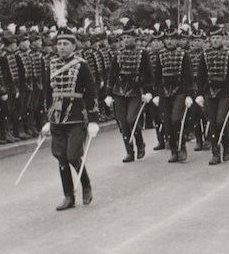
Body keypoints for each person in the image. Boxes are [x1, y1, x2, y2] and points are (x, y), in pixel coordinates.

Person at [40, 25, 100, 211]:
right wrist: (47, 120)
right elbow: (47, 94)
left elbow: (91, 93)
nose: (61, 47)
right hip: (57, 118)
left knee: (73, 155)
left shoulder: (81, 65)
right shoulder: (51, 65)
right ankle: (68, 196)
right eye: (59, 44)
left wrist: (93, 120)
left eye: (66, 44)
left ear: (74, 46)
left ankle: (86, 184)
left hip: (76, 117)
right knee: (61, 157)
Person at [105, 18, 153, 163]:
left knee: (132, 119)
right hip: (119, 91)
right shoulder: (117, 54)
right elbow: (112, 75)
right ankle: (129, 151)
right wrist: (108, 94)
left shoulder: (142, 54)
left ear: (134, 39)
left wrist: (147, 91)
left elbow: (148, 74)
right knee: (122, 122)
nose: (126, 40)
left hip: (135, 90)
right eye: (124, 38)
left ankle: (140, 143)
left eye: (129, 37)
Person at [196, 19, 229, 165]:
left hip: (225, 92)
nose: (215, 41)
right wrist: (199, 94)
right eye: (213, 38)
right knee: (213, 122)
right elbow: (201, 76)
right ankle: (216, 153)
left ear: (223, 38)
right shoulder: (205, 54)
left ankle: (226, 146)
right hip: (210, 92)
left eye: (218, 38)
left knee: (221, 120)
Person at [152, 23, 194, 163]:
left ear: (177, 40)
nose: (169, 41)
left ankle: (181, 147)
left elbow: (188, 76)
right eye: (167, 39)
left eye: (172, 38)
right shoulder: (160, 55)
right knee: (167, 121)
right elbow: (157, 76)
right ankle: (174, 151)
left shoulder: (184, 55)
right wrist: (156, 93)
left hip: (179, 90)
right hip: (164, 91)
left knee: (176, 119)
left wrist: (189, 94)